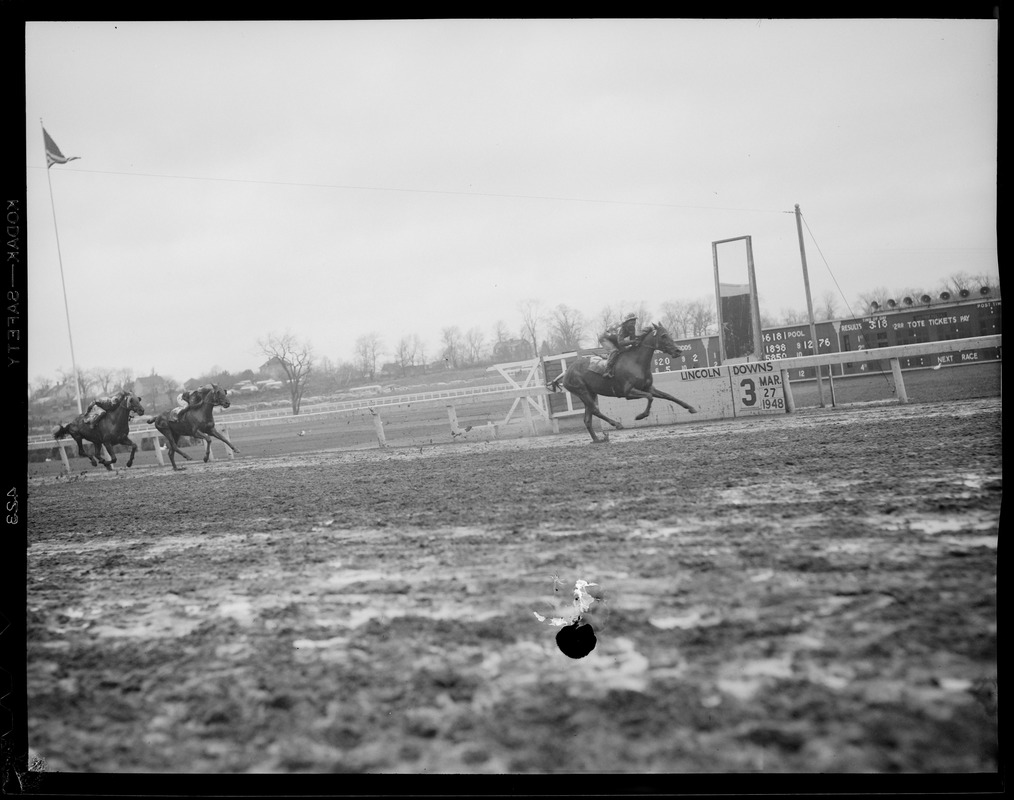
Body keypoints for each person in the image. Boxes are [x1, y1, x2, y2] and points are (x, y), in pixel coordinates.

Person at [599, 312, 640, 379]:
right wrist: (633, 342)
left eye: (634, 321)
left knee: (625, 351)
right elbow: (621, 342)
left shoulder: (632, 328)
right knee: (614, 351)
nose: (633, 323)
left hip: (615, 339)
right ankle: (607, 370)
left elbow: (633, 341)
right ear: (627, 322)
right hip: (604, 338)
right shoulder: (621, 328)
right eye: (631, 322)